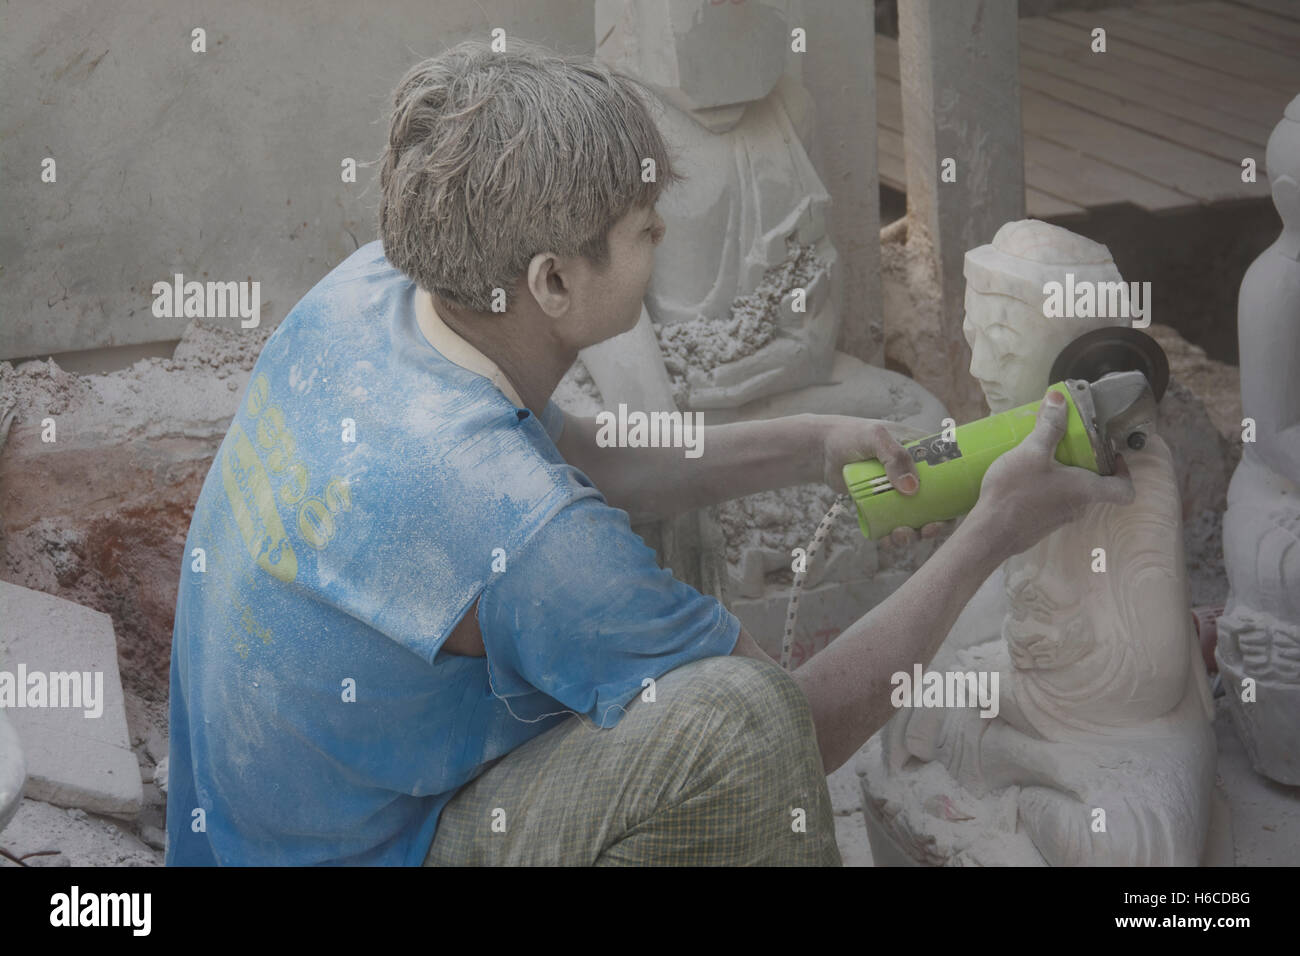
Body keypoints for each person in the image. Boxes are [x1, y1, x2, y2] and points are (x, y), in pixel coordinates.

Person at [164, 39, 1134, 867]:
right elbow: (792, 728)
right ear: (550, 279)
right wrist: (990, 531)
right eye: (644, 232)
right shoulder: (523, 526)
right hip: (365, 846)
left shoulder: (378, 290)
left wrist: (816, 442)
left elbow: (594, 459)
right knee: (737, 729)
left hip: (270, 812)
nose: (666, 240)